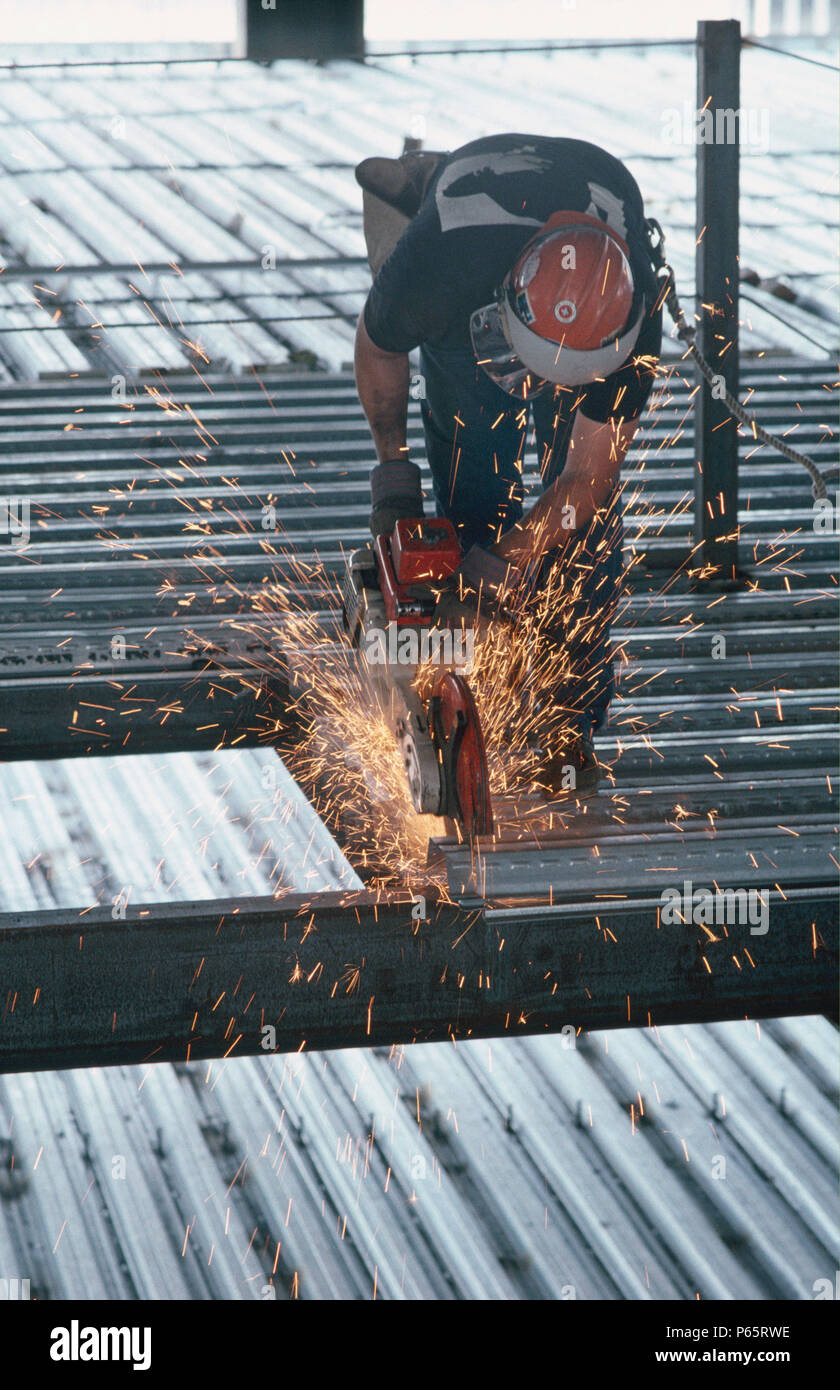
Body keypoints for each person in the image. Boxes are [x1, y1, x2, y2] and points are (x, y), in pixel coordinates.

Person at [354, 133, 663, 795]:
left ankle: (567, 724)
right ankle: (471, 697)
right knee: (474, 473)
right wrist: (394, 477)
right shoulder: (438, 268)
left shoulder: (634, 316)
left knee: (582, 533)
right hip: (471, 270)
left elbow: (587, 479)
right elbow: (378, 348)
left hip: (578, 250)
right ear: (509, 300)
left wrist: (492, 573)